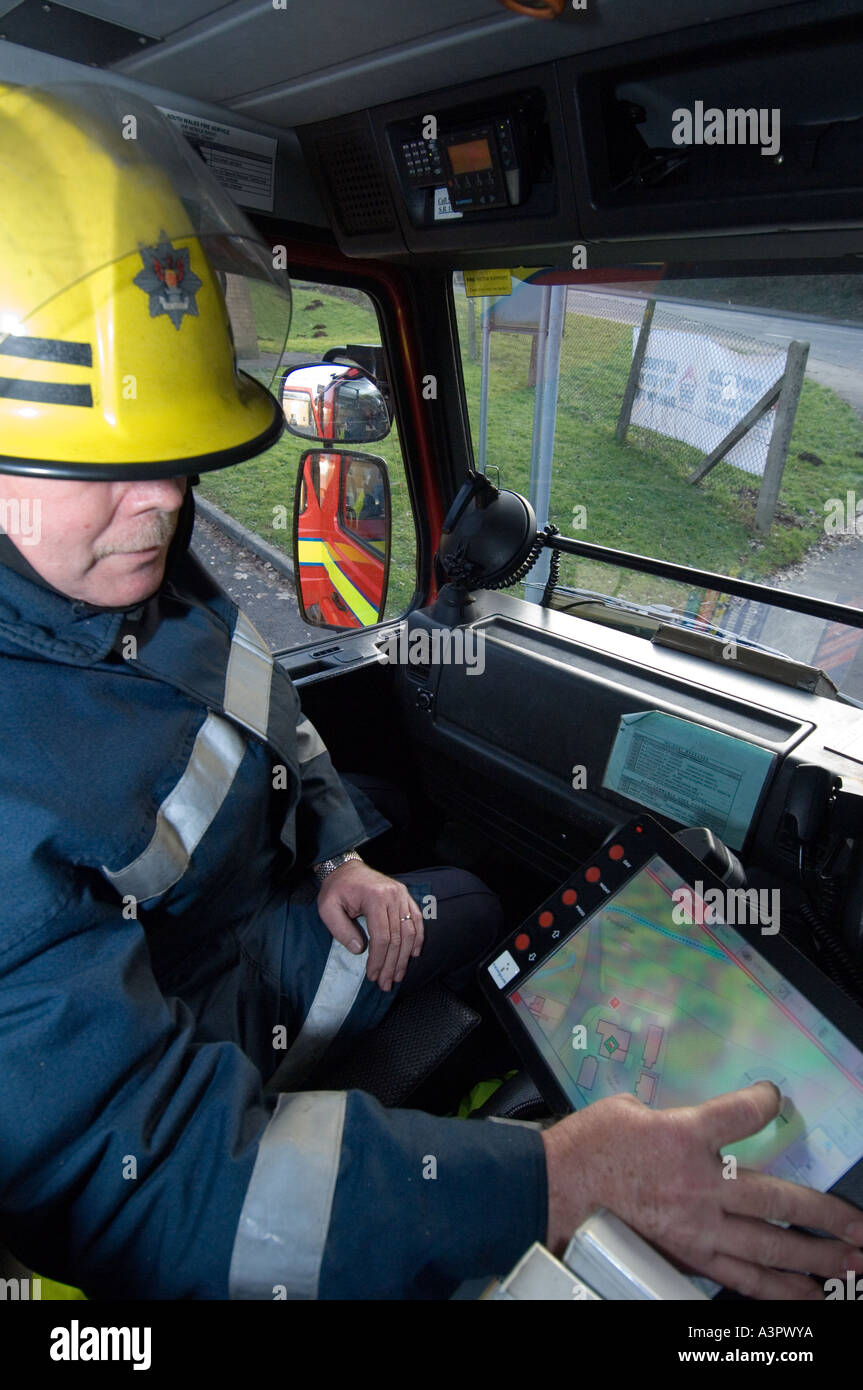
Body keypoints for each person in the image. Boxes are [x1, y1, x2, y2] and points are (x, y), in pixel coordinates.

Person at [2, 82, 862, 1304]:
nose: (166, 503)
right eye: (105, 471)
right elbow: (144, 1181)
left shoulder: (108, 551)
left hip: (267, 886)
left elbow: (258, 699)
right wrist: (554, 1179)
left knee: (415, 841)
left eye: (173, 458)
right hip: (200, 1013)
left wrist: (343, 851)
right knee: (475, 904)